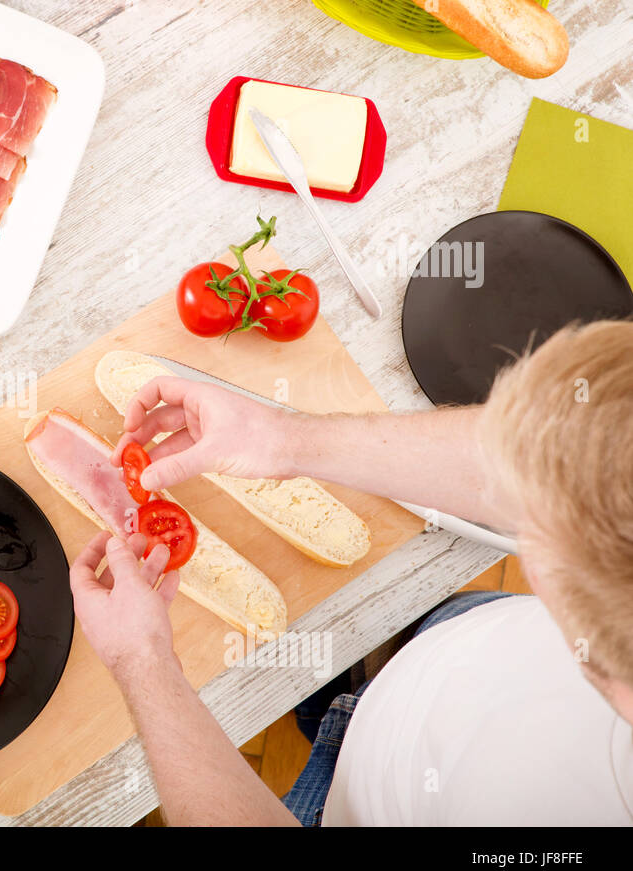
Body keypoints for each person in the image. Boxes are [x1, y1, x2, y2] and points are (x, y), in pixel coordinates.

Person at [69, 320, 633, 825]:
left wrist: (141, 662)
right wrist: (285, 439)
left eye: (536, 521)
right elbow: (560, 453)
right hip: (448, 652)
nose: (521, 488)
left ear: (543, 568)